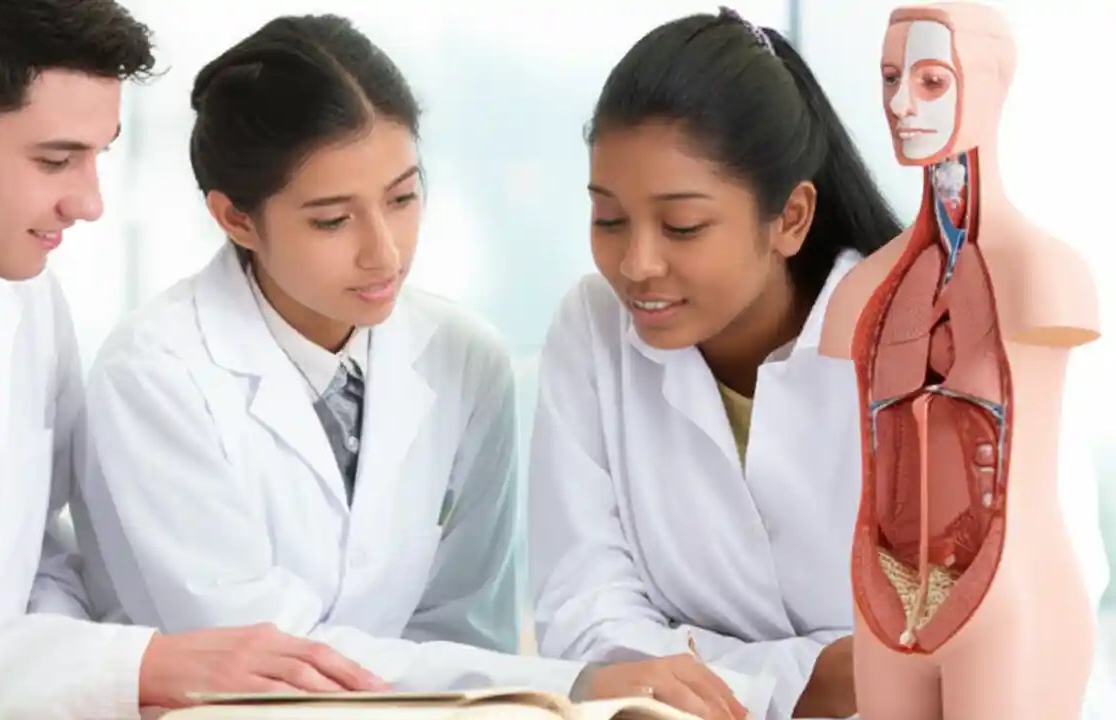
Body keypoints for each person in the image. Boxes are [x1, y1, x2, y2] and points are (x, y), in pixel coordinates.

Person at [71, 14, 751, 720]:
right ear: (236, 219)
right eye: (333, 220)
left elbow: (469, 629)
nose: (384, 252)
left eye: (402, 198)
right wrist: (575, 679)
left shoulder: (465, 357)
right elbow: (268, 661)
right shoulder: (154, 373)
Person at [0, 2, 382, 717]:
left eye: (99, 155)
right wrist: (130, 670)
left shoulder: (17, 293)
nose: (89, 203)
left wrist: (104, 687)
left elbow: (34, 561)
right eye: (56, 160)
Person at [528, 8, 902, 719]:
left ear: (790, 217)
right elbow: (587, 622)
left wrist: (689, 658)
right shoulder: (591, 328)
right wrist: (811, 680)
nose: (636, 264)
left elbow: (944, 646)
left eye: (683, 226)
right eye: (608, 219)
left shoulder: (926, 334)